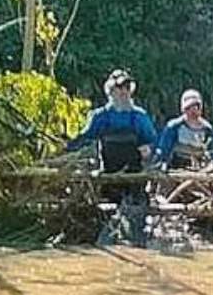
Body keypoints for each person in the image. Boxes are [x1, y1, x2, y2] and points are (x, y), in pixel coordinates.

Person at [64, 69, 158, 245]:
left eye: (127, 87)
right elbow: (84, 138)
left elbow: (154, 143)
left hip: (133, 176)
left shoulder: (139, 116)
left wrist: (149, 150)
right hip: (107, 176)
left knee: (134, 217)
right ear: (111, 90)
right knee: (106, 217)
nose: (124, 91)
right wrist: (65, 148)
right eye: (120, 87)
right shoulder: (100, 116)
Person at [154, 90, 213, 170]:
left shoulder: (207, 129)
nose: (193, 110)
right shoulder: (174, 127)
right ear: (184, 109)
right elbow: (163, 152)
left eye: (196, 106)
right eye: (189, 108)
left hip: (200, 169)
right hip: (175, 169)